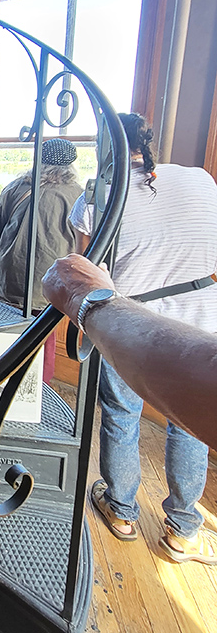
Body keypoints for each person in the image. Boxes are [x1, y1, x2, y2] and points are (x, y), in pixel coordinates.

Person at [69, 113, 217, 564]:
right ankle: (183, 529)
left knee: (120, 414)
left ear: (105, 147)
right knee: (189, 423)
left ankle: (121, 509)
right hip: (201, 320)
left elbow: (83, 269)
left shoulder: (97, 196)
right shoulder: (200, 180)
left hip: (131, 326)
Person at [42, 254, 217, 452]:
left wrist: (90, 300)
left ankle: (119, 477)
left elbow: (92, 265)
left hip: (125, 322)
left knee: (121, 416)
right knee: (190, 432)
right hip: (201, 319)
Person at [0, 137, 82, 383]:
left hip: (7, 279)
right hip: (51, 285)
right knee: (43, 342)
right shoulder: (79, 197)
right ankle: (38, 394)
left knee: (3, 338)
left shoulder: (16, 188)